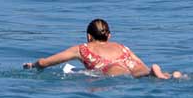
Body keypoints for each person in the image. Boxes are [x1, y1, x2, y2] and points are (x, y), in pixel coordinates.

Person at [23, 19, 181, 79]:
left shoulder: (82, 48)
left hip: (110, 68)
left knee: (120, 73)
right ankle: (168, 75)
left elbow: (45, 62)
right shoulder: (122, 47)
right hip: (131, 63)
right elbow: (139, 62)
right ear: (109, 36)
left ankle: (154, 74)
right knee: (142, 72)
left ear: (89, 37)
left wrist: (33, 65)